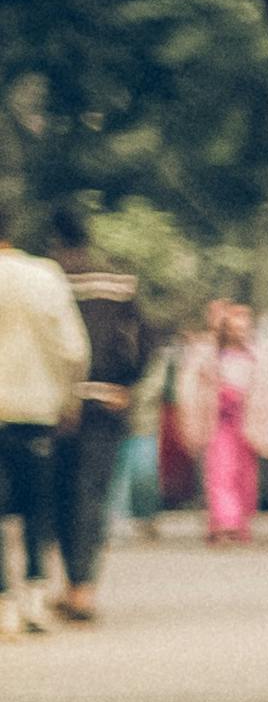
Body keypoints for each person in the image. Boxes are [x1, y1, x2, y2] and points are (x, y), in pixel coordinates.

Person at [0, 225, 84, 634]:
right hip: (36, 411)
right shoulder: (44, 276)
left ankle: (2, 605)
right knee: (37, 509)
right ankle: (33, 598)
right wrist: (68, 402)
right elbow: (74, 349)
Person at [59, 221, 140, 619]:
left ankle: (61, 584)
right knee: (93, 496)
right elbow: (144, 338)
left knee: (61, 496)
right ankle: (83, 588)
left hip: (58, 405)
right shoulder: (118, 282)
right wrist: (127, 383)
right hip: (108, 400)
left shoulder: (49, 276)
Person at [179, 300, 268, 540]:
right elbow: (191, 382)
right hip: (219, 421)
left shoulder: (258, 355)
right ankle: (224, 521)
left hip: (248, 422)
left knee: (245, 474)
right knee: (220, 471)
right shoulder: (208, 353)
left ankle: (240, 521)